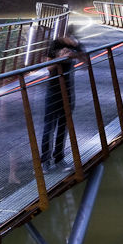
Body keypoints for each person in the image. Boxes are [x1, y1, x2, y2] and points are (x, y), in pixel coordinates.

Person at [40, 33, 89, 166]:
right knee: (49, 126)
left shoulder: (77, 45)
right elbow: (49, 67)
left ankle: (59, 158)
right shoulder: (55, 44)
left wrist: (76, 55)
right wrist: (61, 58)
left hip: (68, 90)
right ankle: (45, 160)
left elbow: (85, 65)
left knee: (63, 126)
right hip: (53, 91)